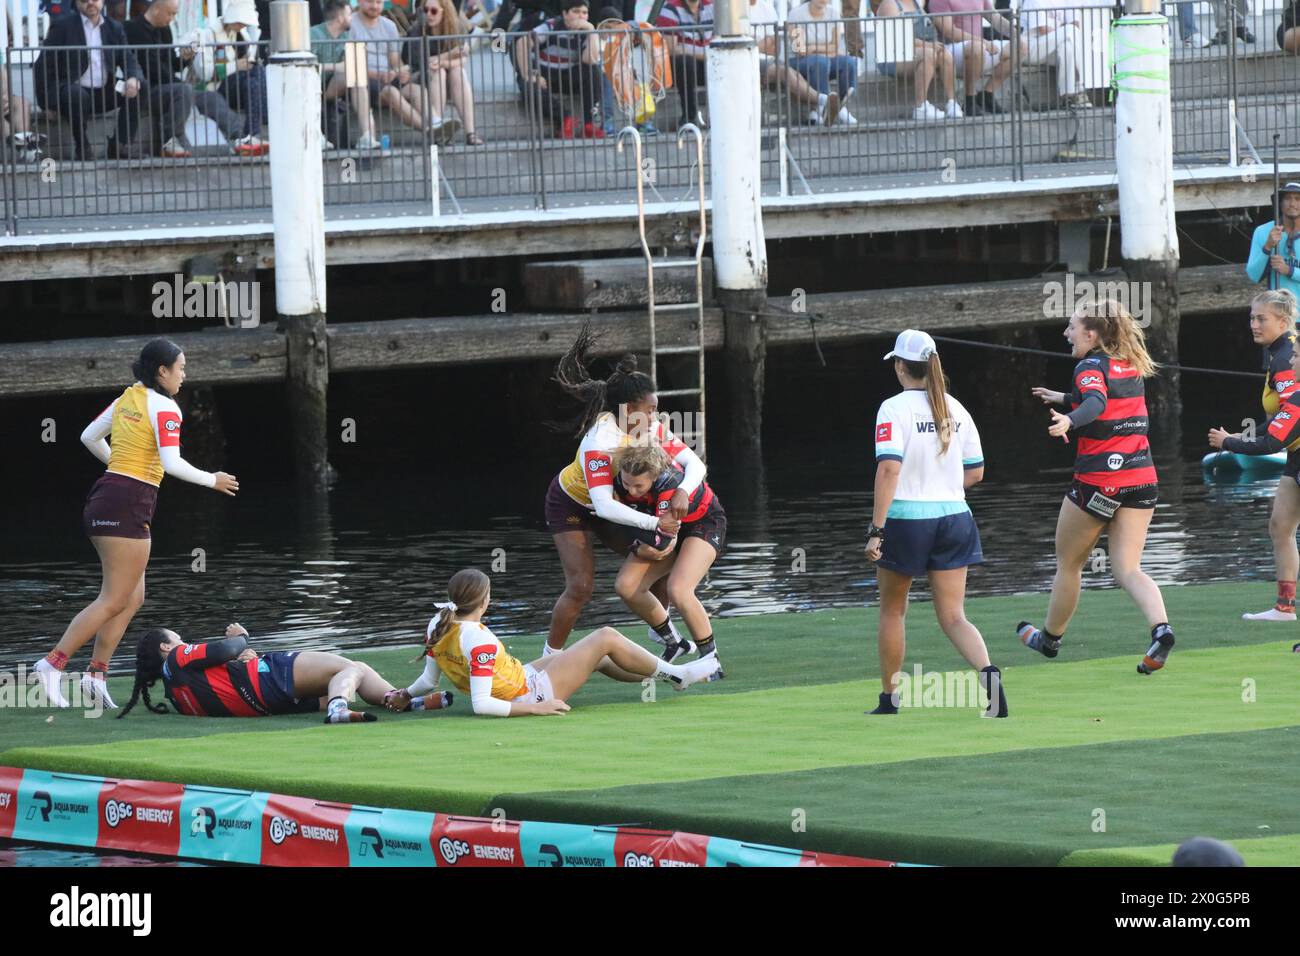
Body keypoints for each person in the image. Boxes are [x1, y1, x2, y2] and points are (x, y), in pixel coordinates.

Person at [31, 338, 239, 709]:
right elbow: (172, 464)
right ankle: (51, 664)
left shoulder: (127, 398)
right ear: (163, 371)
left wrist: (119, 471)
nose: (184, 375)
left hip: (110, 499)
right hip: (125, 505)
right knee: (112, 599)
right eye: (181, 368)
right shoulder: (166, 408)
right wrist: (213, 479)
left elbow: (88, 436)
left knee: (132, 597)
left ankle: (96, 676)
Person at [1021, 300, 1174, 675]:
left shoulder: (1087, 365)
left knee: (1069, 564)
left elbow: (1096, 402)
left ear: (1092, 334)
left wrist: (1069, 421)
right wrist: (1063, 399)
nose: (1066, 333)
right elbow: (1107, 400)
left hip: (1100, 482)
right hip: (1142, 480)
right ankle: (1161, 629)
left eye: (1072, 326)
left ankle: (1050, 639)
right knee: (1127, 568)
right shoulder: (1130, 365)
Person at [864, 330, 1006, 718]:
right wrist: (942, 486)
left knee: (893, 611)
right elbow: (975, 472)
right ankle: (989, 677)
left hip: (907, 520)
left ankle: (889, 699)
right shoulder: (955, 408)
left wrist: (876, 529)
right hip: (955, 518)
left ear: (899, 366)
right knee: (954, 615)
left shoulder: (892, 408)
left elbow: (889, 470)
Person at [545, 326, 706, 654]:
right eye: (649, 410)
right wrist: (655, 524)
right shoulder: (599, 441)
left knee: (660, 555)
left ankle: (666, 636)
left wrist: (682, 493)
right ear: (628, 409)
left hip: (618, 503)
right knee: (580, 587)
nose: (656, 415)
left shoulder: (651, 428)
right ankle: (549, 659)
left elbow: (696, 466)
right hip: (573, 504)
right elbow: (603, 507)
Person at [387, 569, 723, 717]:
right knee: (604, 636)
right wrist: (537, 707)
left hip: (520, 677)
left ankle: (665, 676)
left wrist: (405, 693)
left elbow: (429, 681)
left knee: (598, 656)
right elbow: (481, 705)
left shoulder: (438, 621)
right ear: (484, 601)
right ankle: (677, 675)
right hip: (530, 692)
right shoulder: (478, 640)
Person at [1209, 290, 1300, 621]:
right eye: (1252, 317)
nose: (1254, 324)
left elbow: (1283, 430)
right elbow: (1279, 421)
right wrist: (1240, 436)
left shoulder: (1286, 356)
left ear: (1283, 321)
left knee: (1282, 526)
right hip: (1295, 456)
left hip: (1294, 449)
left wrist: (1231, 443)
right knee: (1280, 525)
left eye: (1261, 318)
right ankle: (1285, 608)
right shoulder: (1280, 354)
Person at [118, 622, 413, 722]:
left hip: (267, 704)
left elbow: (223, 684)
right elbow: (224, 650)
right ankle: (343, 707)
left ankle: (395, 697)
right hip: (268, 678)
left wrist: (242, 659)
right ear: (166, 648)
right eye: (178, 639)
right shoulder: (177, 658)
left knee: (343, 682)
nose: (183, 642)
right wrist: (242, 637)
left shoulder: (176, 698)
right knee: (351, 668)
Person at [611, 443, 726, 668]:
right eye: (626, 484)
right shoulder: (619, 482)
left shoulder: (669, 483)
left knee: (678, 589)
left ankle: (711, 661)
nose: (631, 491)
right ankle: (675, 643)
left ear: (654, 477)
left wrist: (629, 532)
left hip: (703, 524)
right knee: (626, 586)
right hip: (662, 529)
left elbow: (662, 540)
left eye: (639, 486)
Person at [33, 0, 146, 160]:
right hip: (73, 92)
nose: (90, 3)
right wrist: (45, 103)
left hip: (105, 90)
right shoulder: (63, 26)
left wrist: (133, 78)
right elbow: (43, 66)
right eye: (84, 0)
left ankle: (120, 144)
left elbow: (129, 59)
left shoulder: (114, 27)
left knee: (142, 87)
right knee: (77, 94)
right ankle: (82, 145)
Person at [749, 0, 842, 128]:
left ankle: (822, 106)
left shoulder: (767, 8)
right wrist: (762, 44)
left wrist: (756, 45)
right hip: (750, 61)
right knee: (789, 71)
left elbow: (776, 48)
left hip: (771, 60)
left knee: (795, 74)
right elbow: (743, 49)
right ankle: (825, 101)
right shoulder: (735, 11)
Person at [123, 0, 197, 158]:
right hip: (144, 89)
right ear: (156, 10)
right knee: (184, 90)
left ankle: (239, 136)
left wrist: (186, 57)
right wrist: (179, 84)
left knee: (202, 96)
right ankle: (170, 138)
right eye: (170, 13)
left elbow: (171, 64)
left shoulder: (165, 30)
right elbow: (151, 69)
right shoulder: (132, 29)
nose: (172, 18)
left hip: (165, 87)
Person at [402, 0, 480, 144]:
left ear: (445, 11)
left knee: (458, 71)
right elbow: (421, 62)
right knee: (438, 71)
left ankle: (471, 133)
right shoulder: (417, 30)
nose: (429, 14)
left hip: (446, 77)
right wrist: (449, 55)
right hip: (418, 77)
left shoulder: (456, 26)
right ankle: (439, 130)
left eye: (434, 11)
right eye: (426, 10)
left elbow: (462, 60)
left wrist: (444, 62)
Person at [927, 0, 1021, 116]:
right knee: (977, 48)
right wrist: (982, 42)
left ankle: (987, 95)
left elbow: (995, 18)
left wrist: (1017, 34)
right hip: (950, 51)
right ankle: (969, 99)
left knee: (1021, 47)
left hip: (980, 47)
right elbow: (948, 31)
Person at [526, 0, 605, 138]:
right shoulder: (552, 25)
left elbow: (590, 60)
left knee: (593, 71)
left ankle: (589, 124)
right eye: (576, 11)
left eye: (584, 13)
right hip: (546, 73)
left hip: (568, 74)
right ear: (565, 14)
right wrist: (534, 74)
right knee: (528, 85)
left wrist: (592, 31)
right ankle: (565, 119)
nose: (581, 16)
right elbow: (525, 43)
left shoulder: (586, 31)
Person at [349, 0, 429, 134]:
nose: (375, 6)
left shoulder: (390, 26)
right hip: (364, 81)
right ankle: (430, 130)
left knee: (416, 90)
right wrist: (380, 75)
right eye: (370, 2)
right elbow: (351, 66)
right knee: (391, 92)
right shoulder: (350, 24)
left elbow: (395, 61)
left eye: (378, 2)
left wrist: (401, 72)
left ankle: (437, 122)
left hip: (388, 78)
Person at [874, 0, 962, 121]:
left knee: (945, 55)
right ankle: (920, 106)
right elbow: (896, 39)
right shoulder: (889, 5)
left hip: (916, 52)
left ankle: (952, 103)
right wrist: (927, 45)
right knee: (928, 54)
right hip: (892, 57)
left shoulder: (917, 4)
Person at [312, 0, 382, 149]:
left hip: (331, 86)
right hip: (311, 85)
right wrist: (336, 67)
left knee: (356, 76)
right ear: (340, 17)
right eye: (349, 14)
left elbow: (348, 65)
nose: (352, 18)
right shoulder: (314, 34)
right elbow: (306, 68)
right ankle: (316, 136)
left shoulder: (345, 36)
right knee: (311, 82)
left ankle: (367, 136)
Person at [208, 0, 270, 155]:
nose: (243, 25)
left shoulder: (242, 34)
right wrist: (237, 65)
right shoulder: (213, 34)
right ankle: (255, 129)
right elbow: (213, 72)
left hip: (242, 84)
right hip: (220, 86)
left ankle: (251, 135)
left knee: (255, 78)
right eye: (241, 22)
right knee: (257, 74)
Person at [787, 0, 859, 125]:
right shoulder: (796, 14)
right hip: (799, 62)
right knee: (820, 61)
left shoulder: (834, 13)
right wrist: (828, 50)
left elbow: (835, 46)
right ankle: (821, 106)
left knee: (848, 62)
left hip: (822, 59)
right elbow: (799, 50)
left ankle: (840, 106)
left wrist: (814, 48)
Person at [1018, 0, 1091, 111]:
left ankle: (1069, 95)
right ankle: (1079, 86)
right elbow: (1043, 30)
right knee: (1070, 32)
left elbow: (1076, 25)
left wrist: (1064, 31)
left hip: (1052, 49)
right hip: (1030, 48)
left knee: (1067, 47)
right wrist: (1064, 29)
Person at [655, 0, 712, 129]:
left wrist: (687, 49)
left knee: (723, 63)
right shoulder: (670, 9)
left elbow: (719, 44)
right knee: (684, 62)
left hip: (707, 62)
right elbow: (672, 50)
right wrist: (707, 53)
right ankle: (689, 117)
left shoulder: (711, 7)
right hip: (680, 68)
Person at [1246, 181, 1300, 297]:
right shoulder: (1262, 232)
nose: (1292, 203)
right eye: (1287, 198)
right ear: (1279, 203)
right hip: (1278, 312)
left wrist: (1289, 271)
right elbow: (1254, 275)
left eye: (1298, 199)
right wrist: (1268, 247)